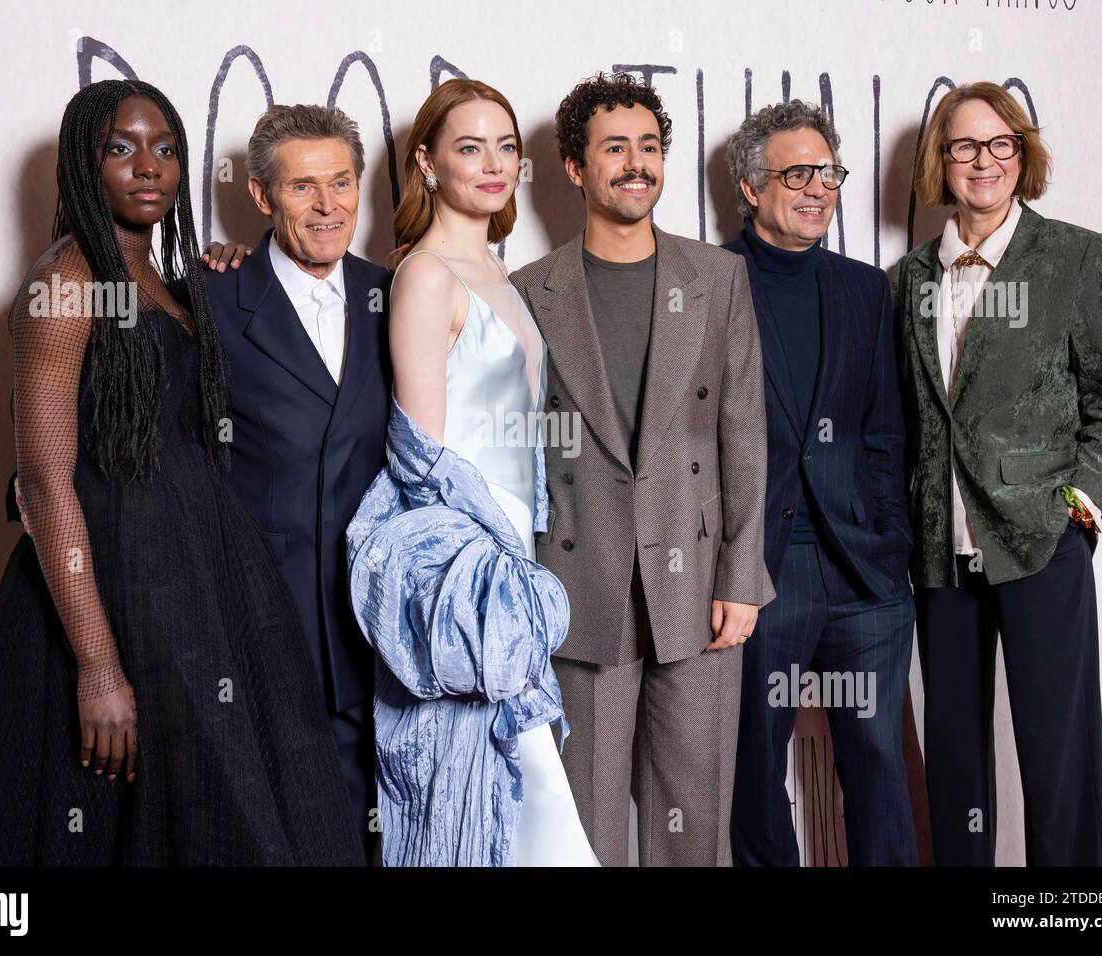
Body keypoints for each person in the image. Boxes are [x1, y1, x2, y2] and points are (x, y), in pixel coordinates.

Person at [0, 80, 362, 866]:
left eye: (164, 148)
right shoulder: (64, 284)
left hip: (197, 580)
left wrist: (220, 268)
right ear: (81, 165)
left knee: (241, 811)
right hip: (118, 591)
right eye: (119, 147)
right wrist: (96, 666)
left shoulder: (172, 280)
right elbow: (44, 484)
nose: (148, 165)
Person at [510, 72, 773, 867]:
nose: (636, 164)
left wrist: (739, 575)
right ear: (575, 168)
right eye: (614, 148)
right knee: (584, 826)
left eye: (650, 148)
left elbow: (745, 433)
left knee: (694, 822)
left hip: (695, 589)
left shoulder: (718, 278)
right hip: (577, 588)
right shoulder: (527, 292)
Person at [346, 78, 599, 867]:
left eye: (505, 146)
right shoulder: (426, 275)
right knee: (480, 795)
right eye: (468, 147)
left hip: (512, 562)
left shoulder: (504, 276)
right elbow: (420, 455)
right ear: (425, 163)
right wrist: (486, 581)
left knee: (512, 805)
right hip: (461, 577)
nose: (493, 165)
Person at [895, 81, 1102, 866]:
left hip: (1043, 542)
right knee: (956, 765)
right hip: (942, 552)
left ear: (1022, 154)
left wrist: (1080, 504)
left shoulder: (1074, 255)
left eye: (1001, 144)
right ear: (942, 160)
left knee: (1058, 759)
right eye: (964, 145)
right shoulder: (908, 280)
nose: (984, 161)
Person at [721, 100, 916, 866]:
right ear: (748, 185)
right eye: (795, 172)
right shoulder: (710, 284)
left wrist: (888, 541)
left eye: (827, 172)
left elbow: (884, 432)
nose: (817, 188)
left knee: (877, 760)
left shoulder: (866, 289)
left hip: (864, 568)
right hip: (761, 570)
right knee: (754, 770)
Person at [201, 104, 391, 863]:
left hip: (381, 634)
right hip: (266, 631)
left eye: (342, 183)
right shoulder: (208, 301)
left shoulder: (396, 294)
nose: (328, 206)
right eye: (304, 187)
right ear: (260, 196)